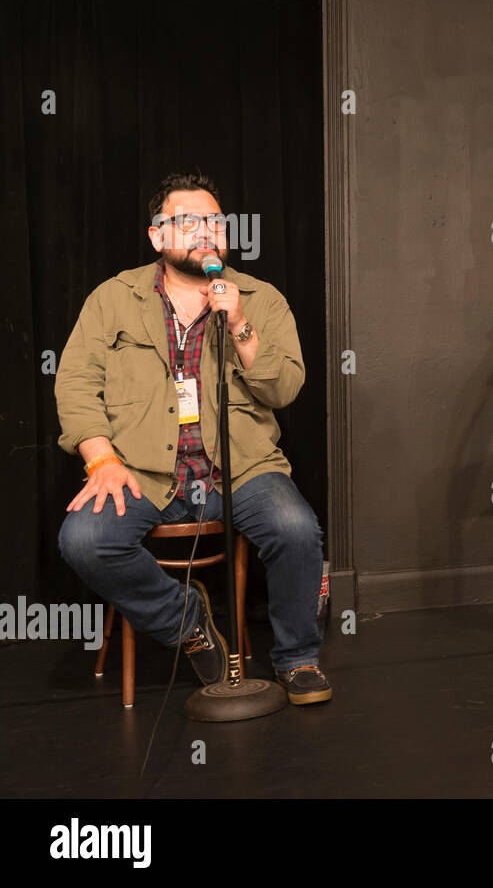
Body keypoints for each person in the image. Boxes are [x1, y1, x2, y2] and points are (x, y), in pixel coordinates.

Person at [55, 171, 331, 704]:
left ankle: (298, 658)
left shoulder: (260, 299)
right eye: (187, 221)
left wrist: (242, 325)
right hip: (141, 470)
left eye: (213, 221)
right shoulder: (112, 299)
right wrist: (101, 460)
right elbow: (76, 386)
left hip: (240, 469)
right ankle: (189, 622)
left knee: (297, 529)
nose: (204, 230)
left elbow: (286, 387)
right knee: (84, 541)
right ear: (157, 236)